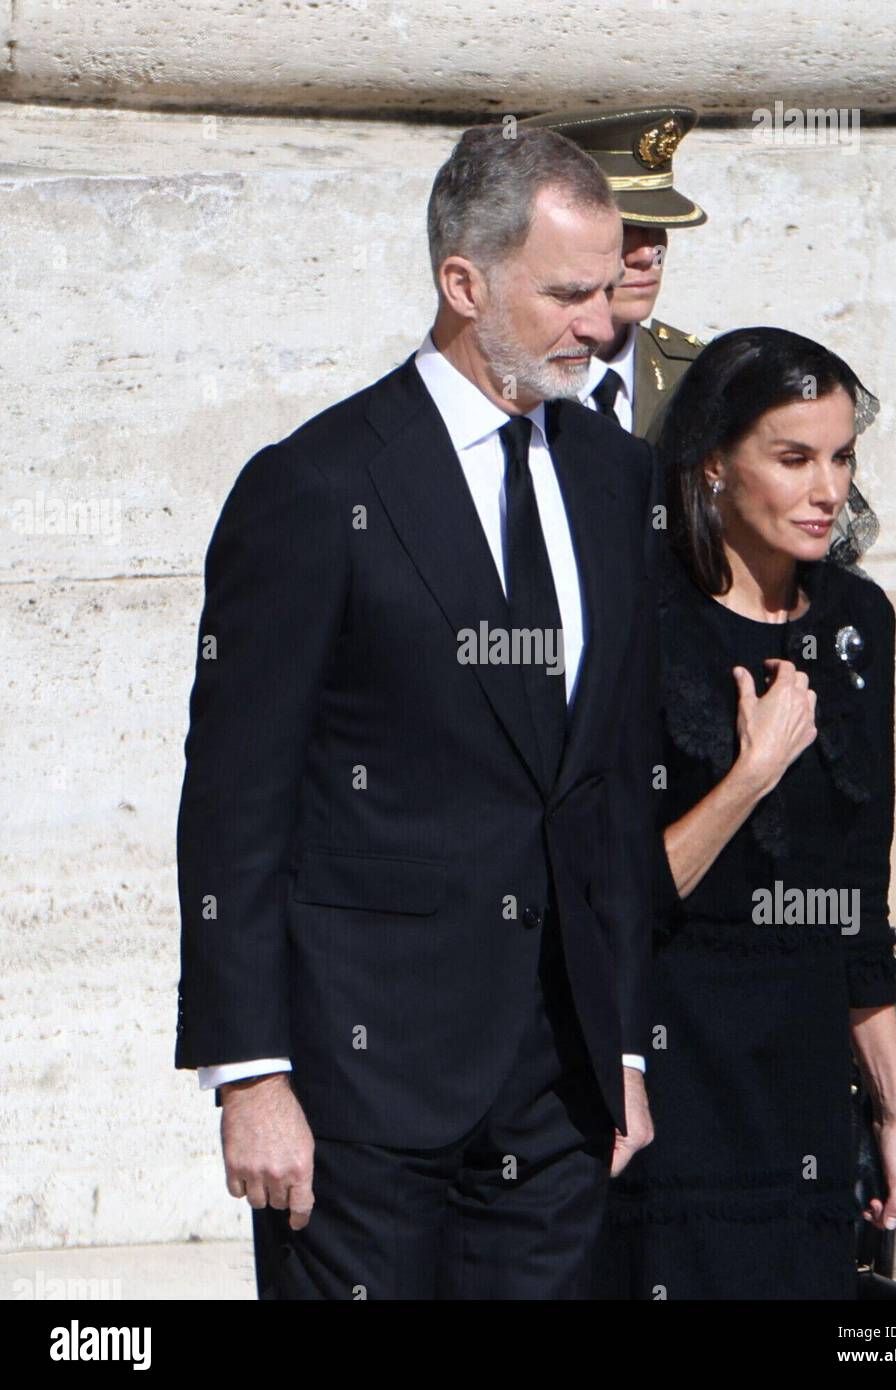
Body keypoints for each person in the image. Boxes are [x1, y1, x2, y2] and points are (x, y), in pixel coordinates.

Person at [174, 122, 660, 1300]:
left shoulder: (613, 479)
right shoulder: (317, 483)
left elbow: (607, 783)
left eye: (606, 288)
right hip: (360, 1081)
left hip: (558, 1085)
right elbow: (235, 799)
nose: (598, 323)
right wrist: (251, 1071)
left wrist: (627, 1043)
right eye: (564, 292)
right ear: (462, 281)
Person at [593, 326, 896, 1299]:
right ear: (710, 469)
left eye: (840, 456)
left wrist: (893, 1104)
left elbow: (858, 890)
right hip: (676, 1048)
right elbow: (625, 889)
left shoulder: (856, 622)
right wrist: (752, 770)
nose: (826, 489)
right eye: (792, 458)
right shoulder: (641, 625)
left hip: (804, 1059)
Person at [521, 107, 707, 441]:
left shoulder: (695, 376)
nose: (649, 254)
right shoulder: (512, 379)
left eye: (657, 228)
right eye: (624, 229)